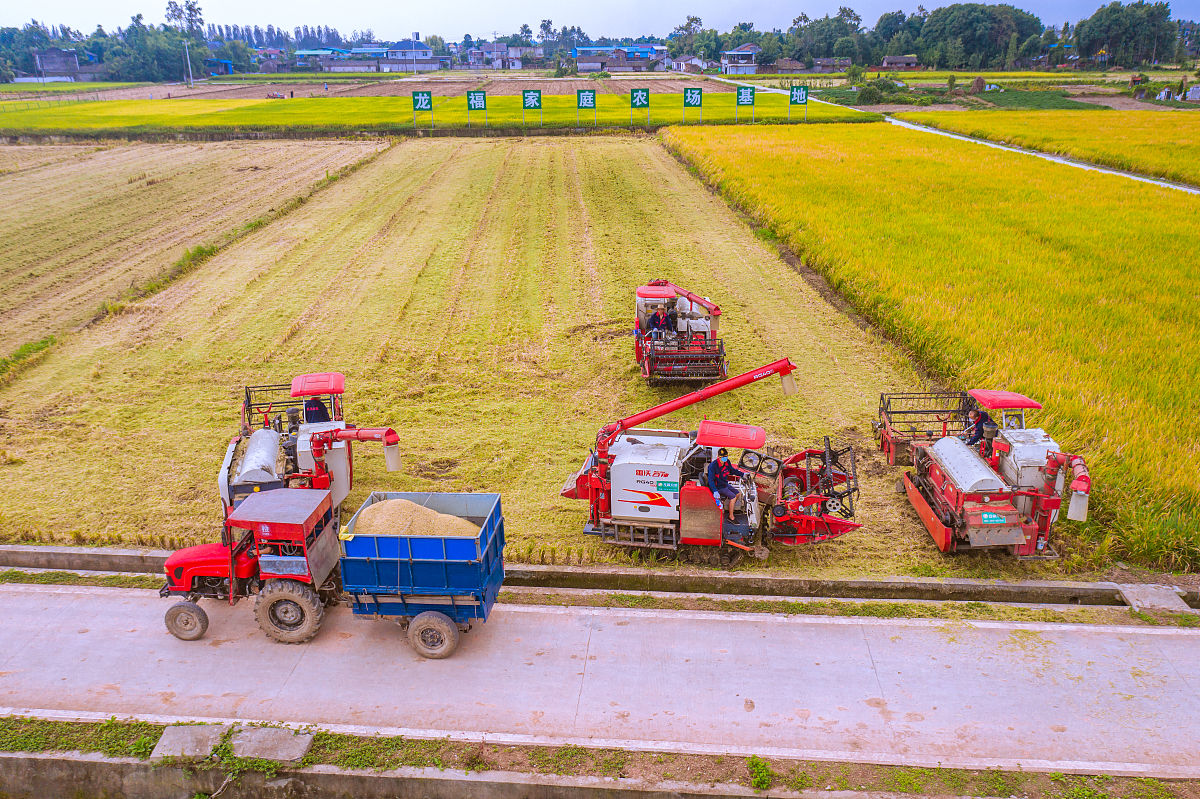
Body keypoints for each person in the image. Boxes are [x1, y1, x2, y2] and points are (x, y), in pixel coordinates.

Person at [707, 448, 745, 523]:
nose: (724, 459)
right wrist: (715, 491)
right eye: (722, 457)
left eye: (726, 457)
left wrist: (742, 474)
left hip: (725, 484)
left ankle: (731, 509)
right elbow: (710, 480)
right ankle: (731, 517)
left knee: (738, 494)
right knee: (733, 497)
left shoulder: (727, 462)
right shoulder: (713, 466)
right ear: (718, 457)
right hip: (718, 487)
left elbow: (732, 470)